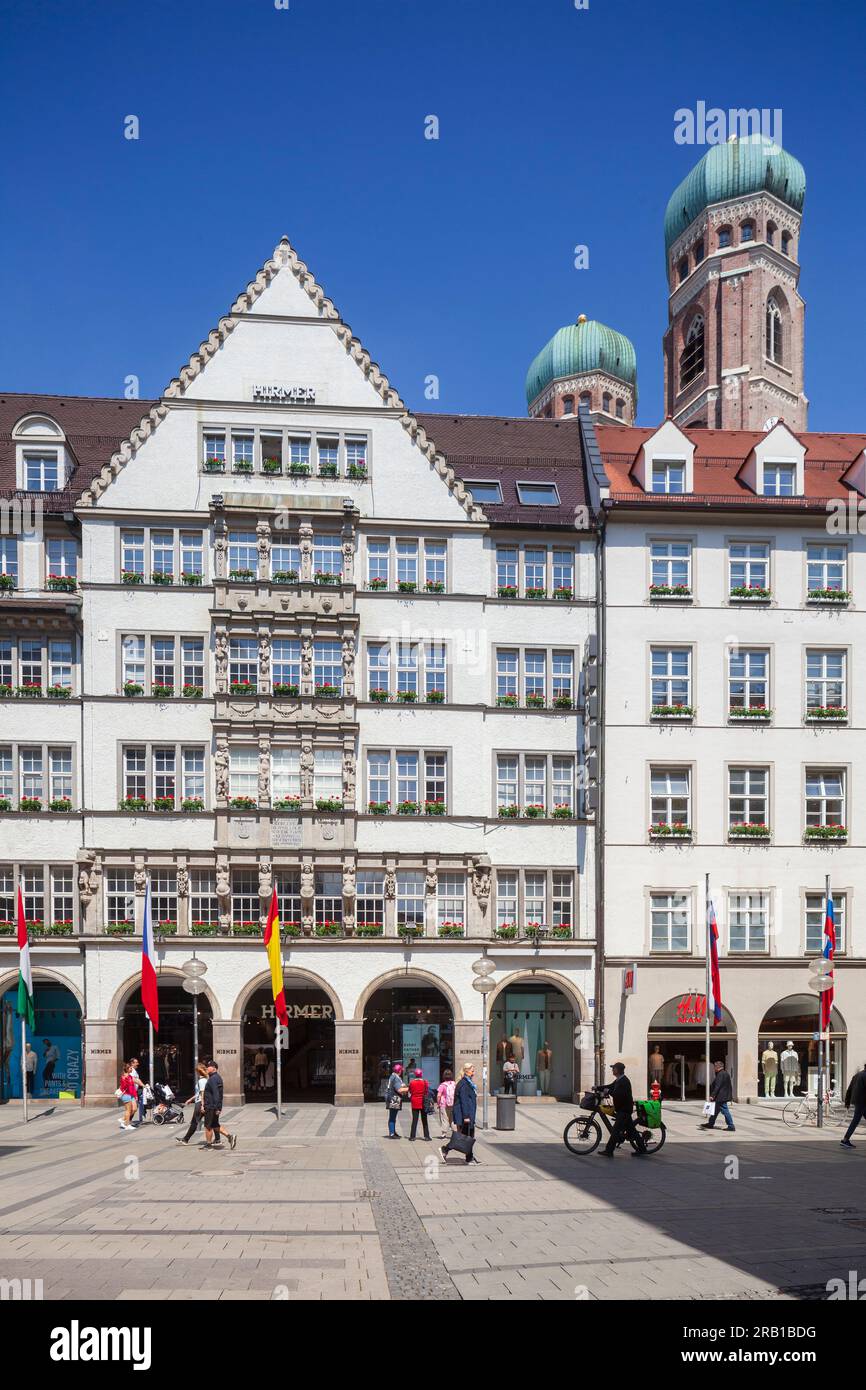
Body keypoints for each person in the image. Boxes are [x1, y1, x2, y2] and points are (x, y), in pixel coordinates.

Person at [598, 1062, 645, 1158]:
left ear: (618, 1070)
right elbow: (610, 1086)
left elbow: (618, 1094)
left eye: (614, 1068)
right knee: (632, 1130)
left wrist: (609, 1092)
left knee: (615, 1130)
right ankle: (642, 1148)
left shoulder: (624, 1081)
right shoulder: (619, 1080)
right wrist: (598, 1087)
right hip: (622, 1109)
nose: (612, 1070)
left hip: (624, 1110)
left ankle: (609, 1151)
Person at [441, 1063, 479, 1164]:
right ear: (466, 1071)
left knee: (468, 1136)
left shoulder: (468, 1082)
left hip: (468, 1114)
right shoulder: (464, 1083)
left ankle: (469, 1158)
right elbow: (463, 1100)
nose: (474, 1072)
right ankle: (445, 1149)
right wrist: (466, 1116)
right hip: (465, 1115)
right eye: (472, 1070)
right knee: (463, 1136)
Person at [203, 1061, 237, 1150]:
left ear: (214, 1068)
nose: (206, 1068)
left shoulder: (212, 1079)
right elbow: (219, 1094)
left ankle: (209, 1145)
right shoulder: (217, 1077)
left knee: (208, 1126)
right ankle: (230, 1137)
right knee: (215, 1125)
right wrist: (218, 1107)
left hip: (211, 1106)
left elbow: (216, 1094)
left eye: (208, 1066)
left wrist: (217, 1107)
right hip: (214, 1106)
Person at [700, 1060, 736, 1132]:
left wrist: (712, 1095)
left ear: (717, 1067)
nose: (714, 1068)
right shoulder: (725, 1073)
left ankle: (731, 1125)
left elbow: (717, 1086)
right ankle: (710, 1123)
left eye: (714, 1067)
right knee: (715, 1111)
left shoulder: (720, 1074)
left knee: (725, 1111)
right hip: (722, 1096)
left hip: (721, 1097)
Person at [177, 1064, 208, 1145]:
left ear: (198, 1072)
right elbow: (199, 1093)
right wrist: (190, 1099)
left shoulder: (201, 1081)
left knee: (194, 1122)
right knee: (212, 1123)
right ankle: (222, 1137)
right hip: (201, 1102)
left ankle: (186, 1139)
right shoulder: (205, 1080)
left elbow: (202, 1093)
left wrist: (202, 1105)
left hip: (200, 1103)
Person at [841, 1063, 866, 1148]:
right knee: (855, 1121)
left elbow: (849, 1089)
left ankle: (845, 1139)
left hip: (858, 1101)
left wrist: (847, 1102)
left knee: (855, 1120)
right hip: (862, 1102)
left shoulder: (857, 1075)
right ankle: (845, 1139)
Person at [384, 1063, 407, 1138]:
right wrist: (410, 1089)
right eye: (401, 1070)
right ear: (399, 1071)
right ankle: (392, 1133)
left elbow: (401, 1085)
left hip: (392, 1098)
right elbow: (399, 1090)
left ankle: (393, 1131)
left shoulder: (393, 1076)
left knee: (393, 1116)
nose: (402, 1072)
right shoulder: (396, 1078)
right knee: (392, 1117)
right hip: (394, 1098)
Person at [408, 1069, 431, 1140]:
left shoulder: (411, 1083)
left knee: (415, 1120)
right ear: (421, 1074)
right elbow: (427, 1092)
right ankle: (427, 1136)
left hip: (414, 1102)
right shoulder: (425, 1082)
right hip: (423, 1102)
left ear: (415, 1074)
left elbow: (410, 1091)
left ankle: (412, 1136)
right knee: (424, 1119)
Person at [118, 1063, 138, 1130]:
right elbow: (123, 1087)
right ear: (127, 1069)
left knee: (134, 1109)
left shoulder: (130, 1076)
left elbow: (132, 1087)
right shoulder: (124, 1077)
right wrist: (126, 1080)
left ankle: (123, 1120)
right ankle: (127, 1125)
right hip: (126, 1095)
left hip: (131, 1095)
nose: (131, 1069)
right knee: (128, 1110)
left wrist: (135, 1095)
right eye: (130, 1068)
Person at [436, 1069, 455, 1137]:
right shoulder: (454, 1084)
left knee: (444, 1118)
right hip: (453, 1104)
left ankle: (444, 1133)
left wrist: (438, 1103)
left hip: (444, 1104)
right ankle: (454, 1132)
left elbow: (438, 1095)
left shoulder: (442, 1085)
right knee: (452, 1119)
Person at [128, 1056, 145, 1125]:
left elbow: (137, 1079)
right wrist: (143, 1085)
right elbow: (134, 1080)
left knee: (134, 1108)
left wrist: (143, 1084)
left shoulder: (134, 1070)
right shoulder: (131, 1070)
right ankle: (126, 1120)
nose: (138, 1064)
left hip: (133, 1091)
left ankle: (128, 1121)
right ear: (132, 1063)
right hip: (131, 1092)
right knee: (133, 1108)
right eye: (136, 1062)